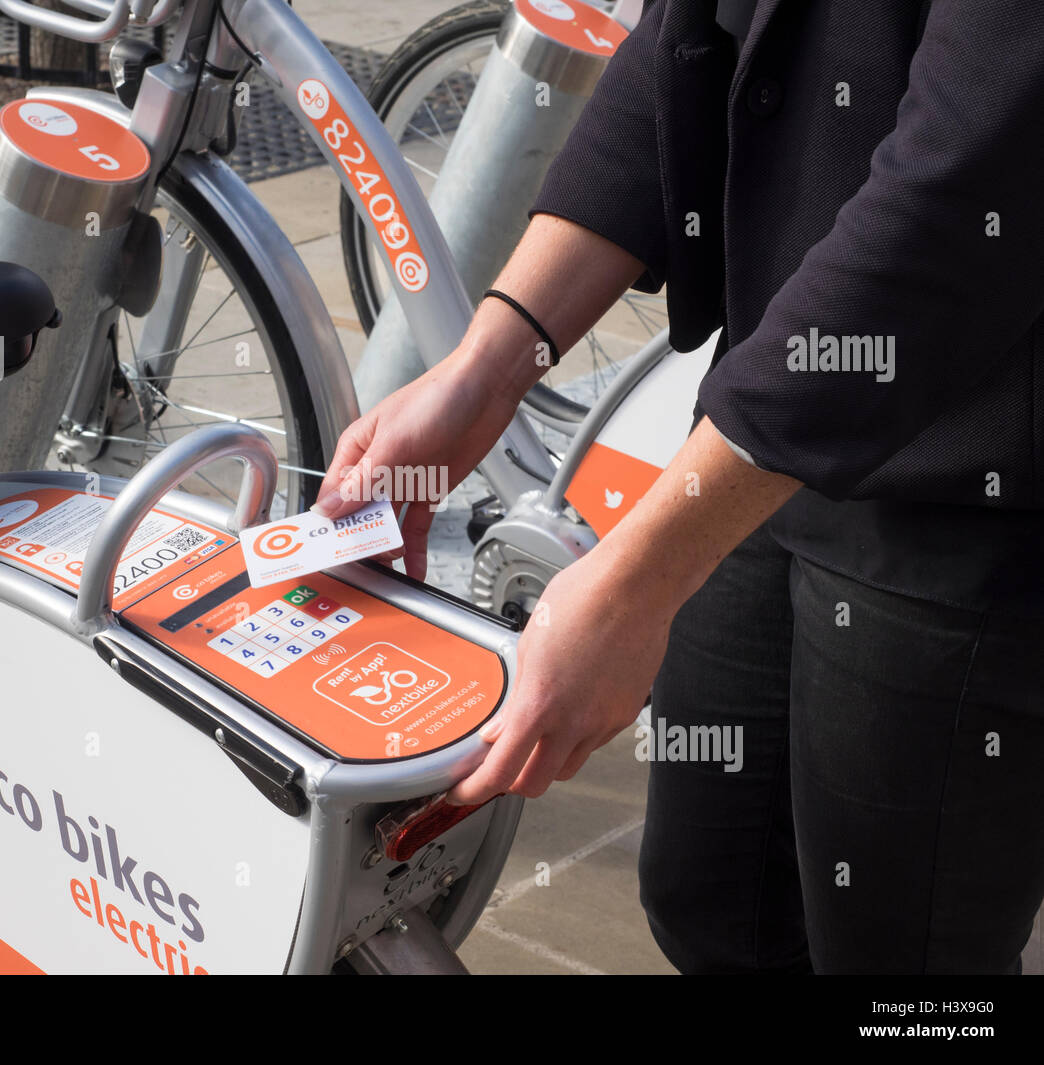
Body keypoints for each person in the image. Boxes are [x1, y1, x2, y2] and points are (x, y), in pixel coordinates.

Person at [313, 0, 1044, 974]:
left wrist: (637, 580)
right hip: (761, 419)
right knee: (711, 895)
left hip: (975, 482)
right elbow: (680, 45)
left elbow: (970, 186)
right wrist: (481, 371)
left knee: (900, 956)